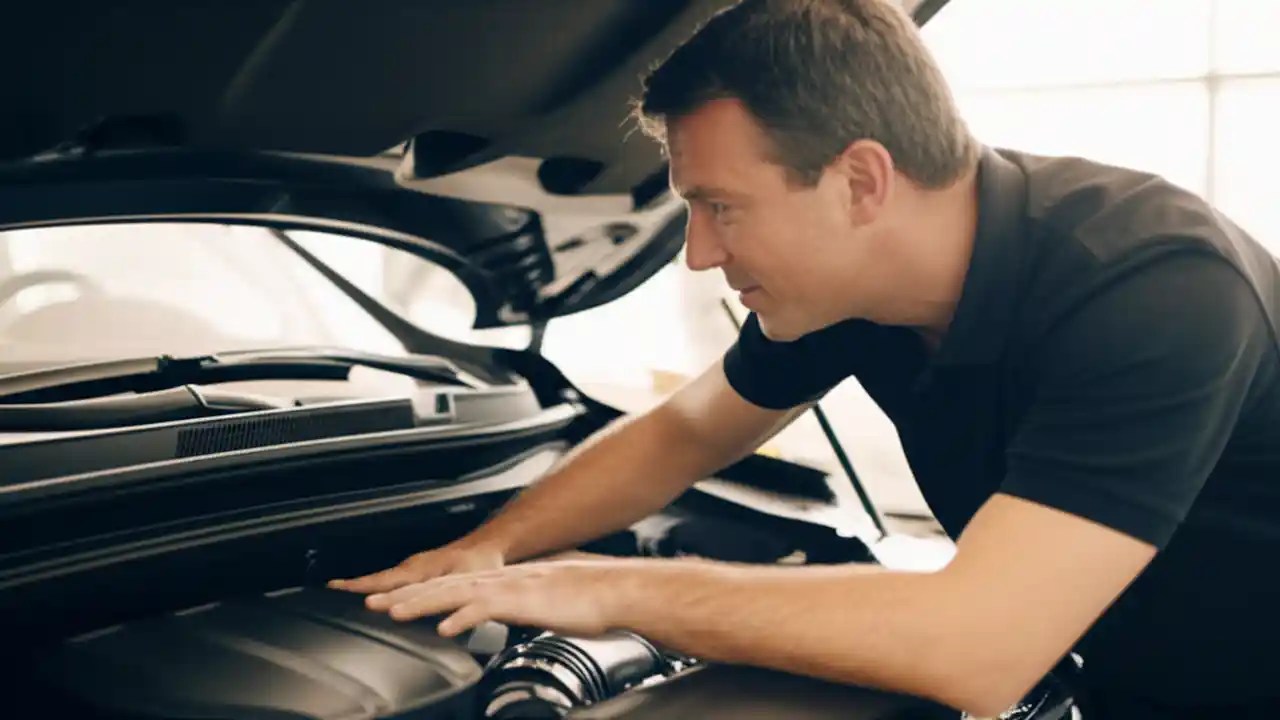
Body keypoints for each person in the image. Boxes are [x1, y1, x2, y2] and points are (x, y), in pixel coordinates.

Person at [329, 0, 1280, 716]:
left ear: (860, 182)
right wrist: (492, 545)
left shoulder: (1153, 288)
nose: (698, 251)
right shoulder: (850, 289)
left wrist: (609, 585)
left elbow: (979, 647)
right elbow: (686, 431)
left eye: (721, 206)